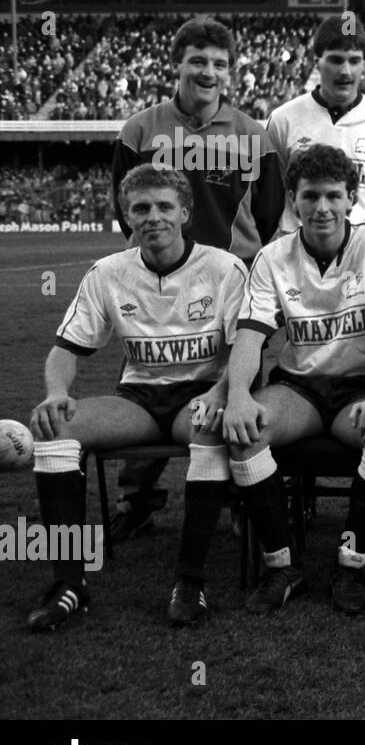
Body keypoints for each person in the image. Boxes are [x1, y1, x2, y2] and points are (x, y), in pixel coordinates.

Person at [26, 165, 247, 630]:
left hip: (203, 392)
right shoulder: (107, 272)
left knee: (209, 430)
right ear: (127, 217)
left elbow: (246, 350)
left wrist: (221, 391)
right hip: (140, 397)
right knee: (53, 432)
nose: (153, 217)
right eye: (140, 209)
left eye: (164, 206)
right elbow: (67, 347)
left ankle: (190, 580)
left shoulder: (225, 268)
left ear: (185, 212)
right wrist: (55, 393)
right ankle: (69, 583)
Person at [222, 144, 365, 615]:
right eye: (310, 196)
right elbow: (250, 338)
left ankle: (351, 564)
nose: (322, 207)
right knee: (246, 431)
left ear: (352, 198)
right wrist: (236, 397)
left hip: (362, 387)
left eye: (334, 195)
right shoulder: (272, 257)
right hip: (299, 387)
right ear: (293, 199)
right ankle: (282, 563)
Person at [108, 16, 282, 542]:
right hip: (157, 283)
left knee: (239, 382)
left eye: (219, 64)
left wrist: (232, 262)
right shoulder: (141, 128)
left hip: (233, 283)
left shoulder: (256, 135)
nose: (208, 72)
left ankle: (236, 495)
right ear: (177, 64)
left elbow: (270, 213)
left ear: (230, 73)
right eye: (198, 61)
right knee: (146, 379)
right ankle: (136, 500)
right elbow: (127, 204)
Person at [266, 14, 365, 235]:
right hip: (303, 252)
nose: (345, 71)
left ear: (364, 63)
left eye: (354, 60)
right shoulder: (283, 119)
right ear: (317, 61)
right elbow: (272, 196)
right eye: (336, 60)